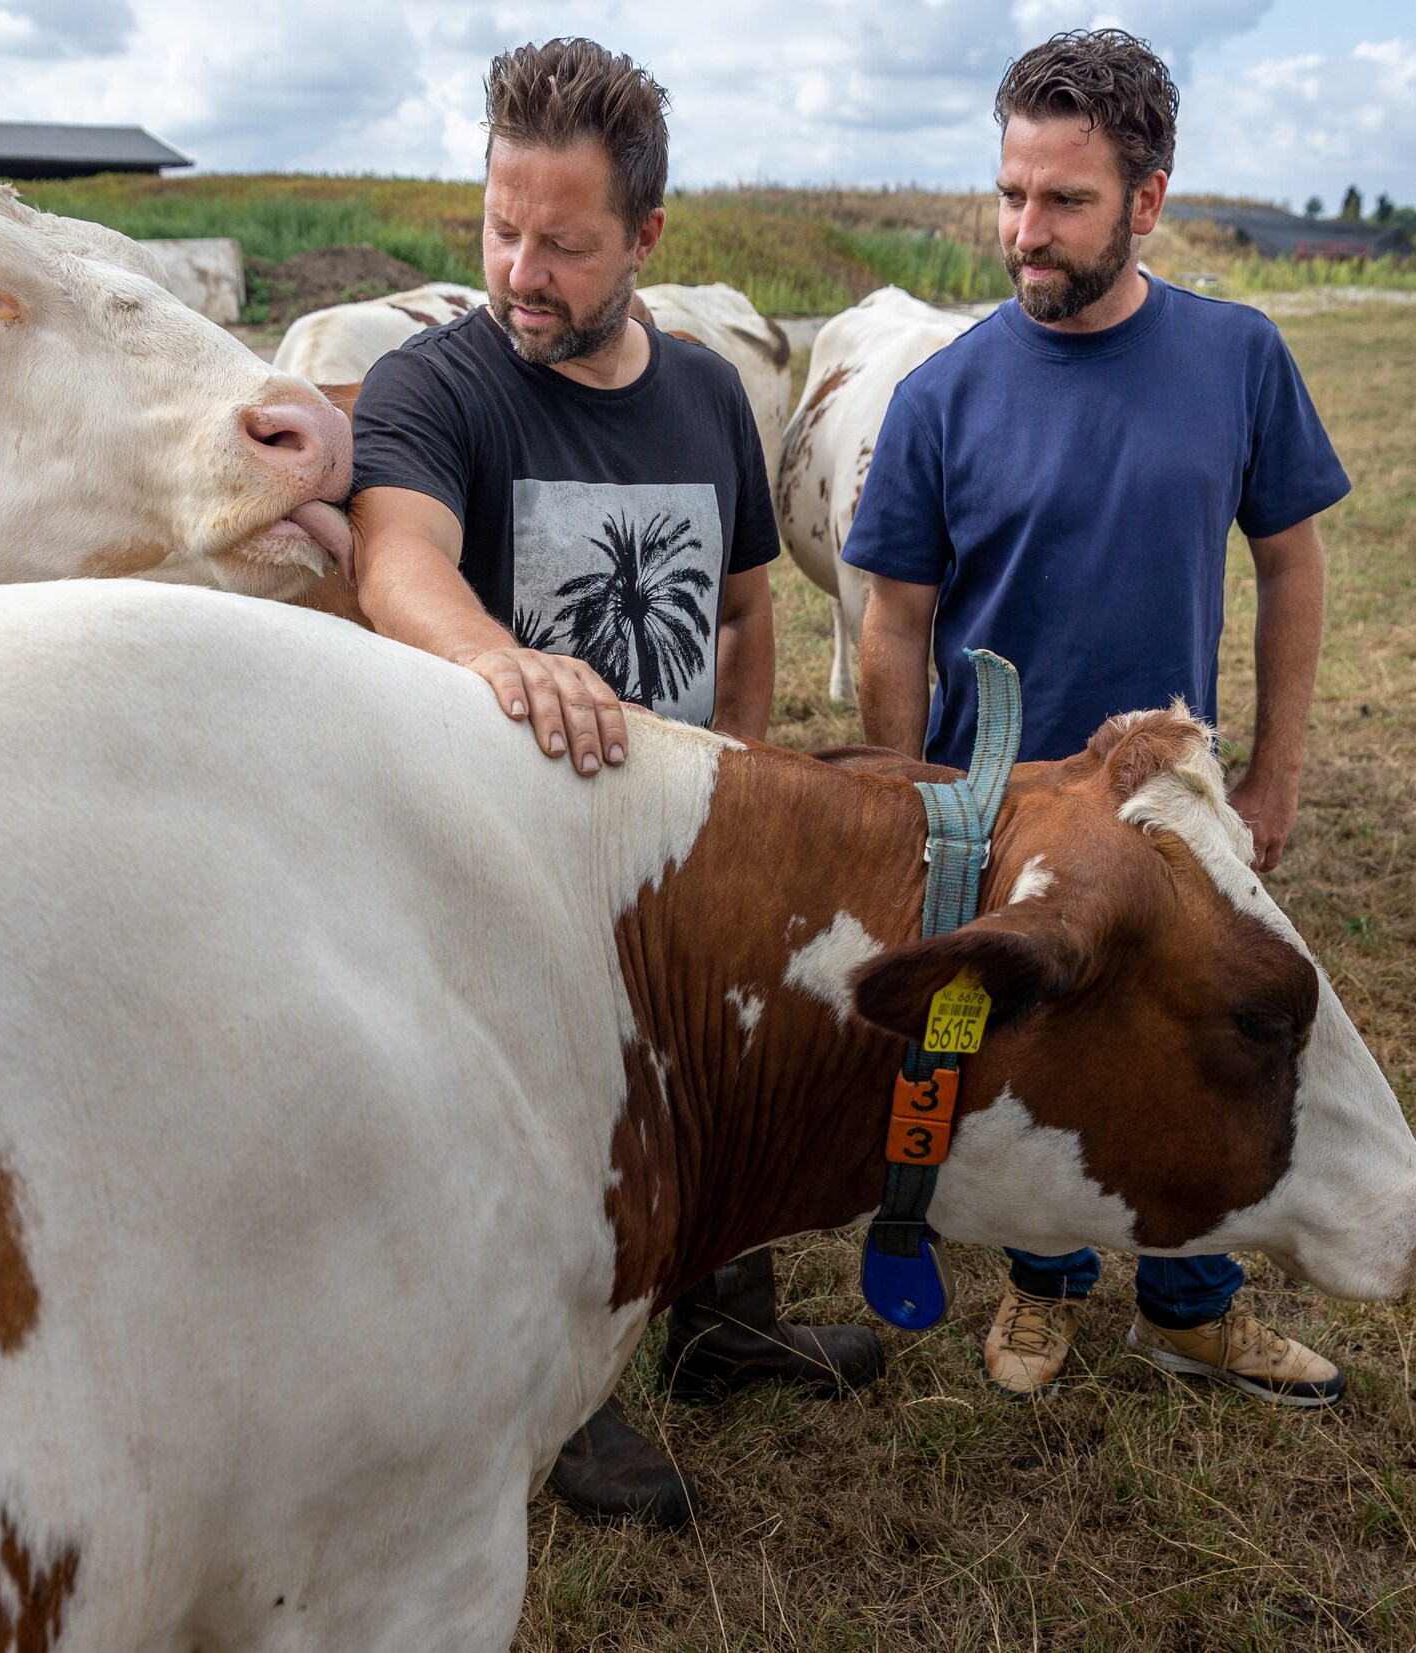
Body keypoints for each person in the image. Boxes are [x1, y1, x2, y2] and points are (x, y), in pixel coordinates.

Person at [341, 38, 886, 1527]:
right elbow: (396, 557)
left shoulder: (710, 396)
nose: (522, 269)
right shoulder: (433, 386)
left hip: (683, 829)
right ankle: (563, 1400)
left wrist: (748, 774)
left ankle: (729, 1325)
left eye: (565, 244)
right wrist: (493, 656)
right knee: (557, 1120)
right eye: (501, 230)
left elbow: (747, 608)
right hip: (504, 852)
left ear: (647, 237)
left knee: (711, 1067)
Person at [845, 29, 1352, 1408]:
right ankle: (1041, 1279)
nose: (1026, 231)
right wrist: (914, 800)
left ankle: (1195, 1304)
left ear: (1148, 198)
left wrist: (1274, 770)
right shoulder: (943, 393)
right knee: (1042, 1049)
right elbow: (896, 614)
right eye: (1012, 195)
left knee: (1205, 1041)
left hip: (1175, 803)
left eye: (1063, 201)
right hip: (1008, 806)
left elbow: (1292, 557)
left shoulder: (1238, 358)